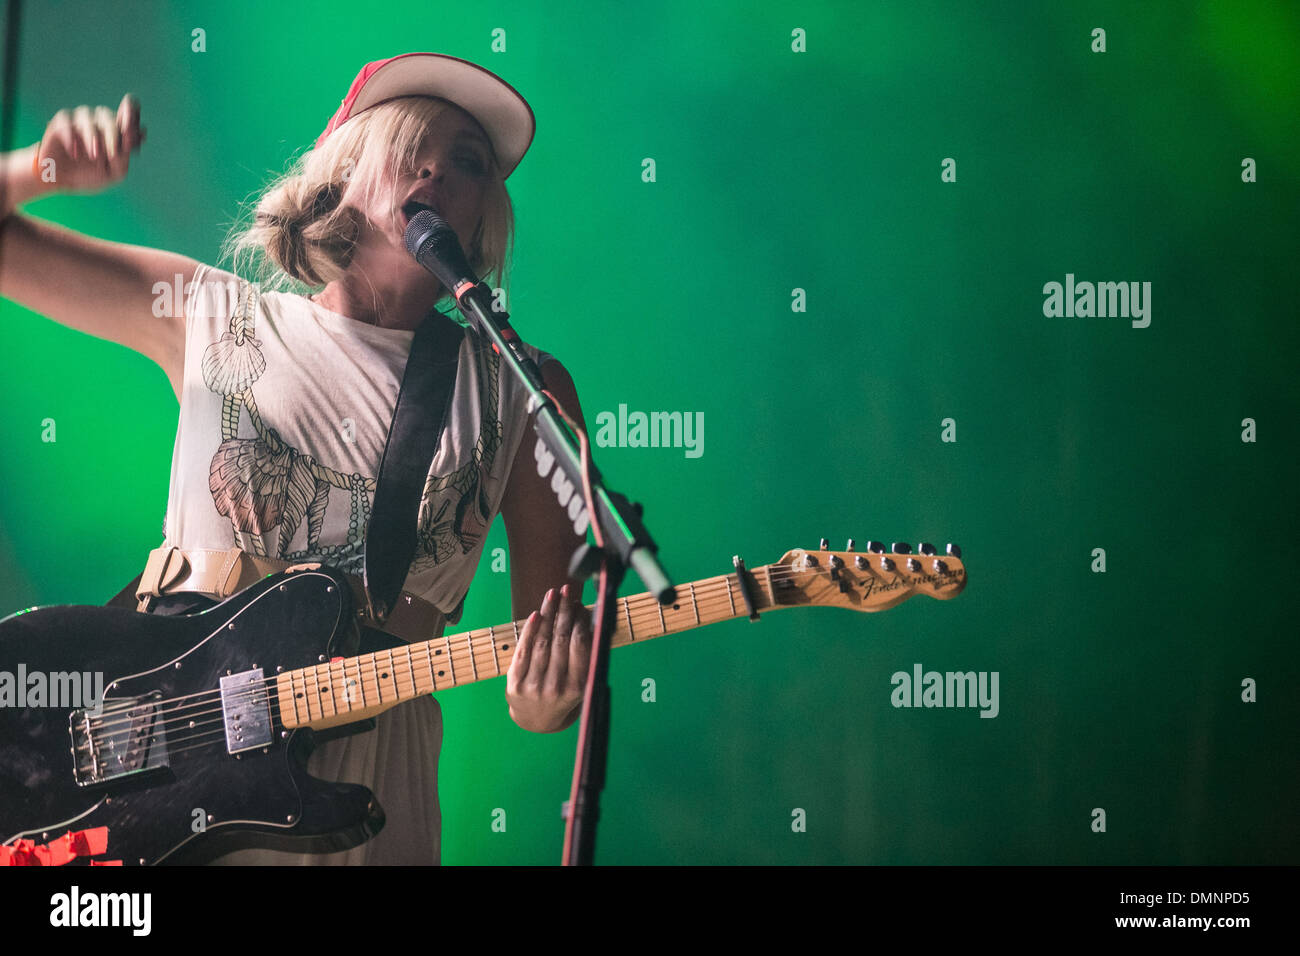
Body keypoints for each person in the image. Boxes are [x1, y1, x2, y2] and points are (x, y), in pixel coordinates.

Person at [0, 53, 593, 864]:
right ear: (342, 164)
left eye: (470, 163)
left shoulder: (524, 390)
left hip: (369, 795)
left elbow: (545, 678)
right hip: (159, 778)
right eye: (413, 141)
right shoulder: (211, 315)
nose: (439, 169)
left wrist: (549, 698)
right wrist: (37, 169)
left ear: (488, 211)